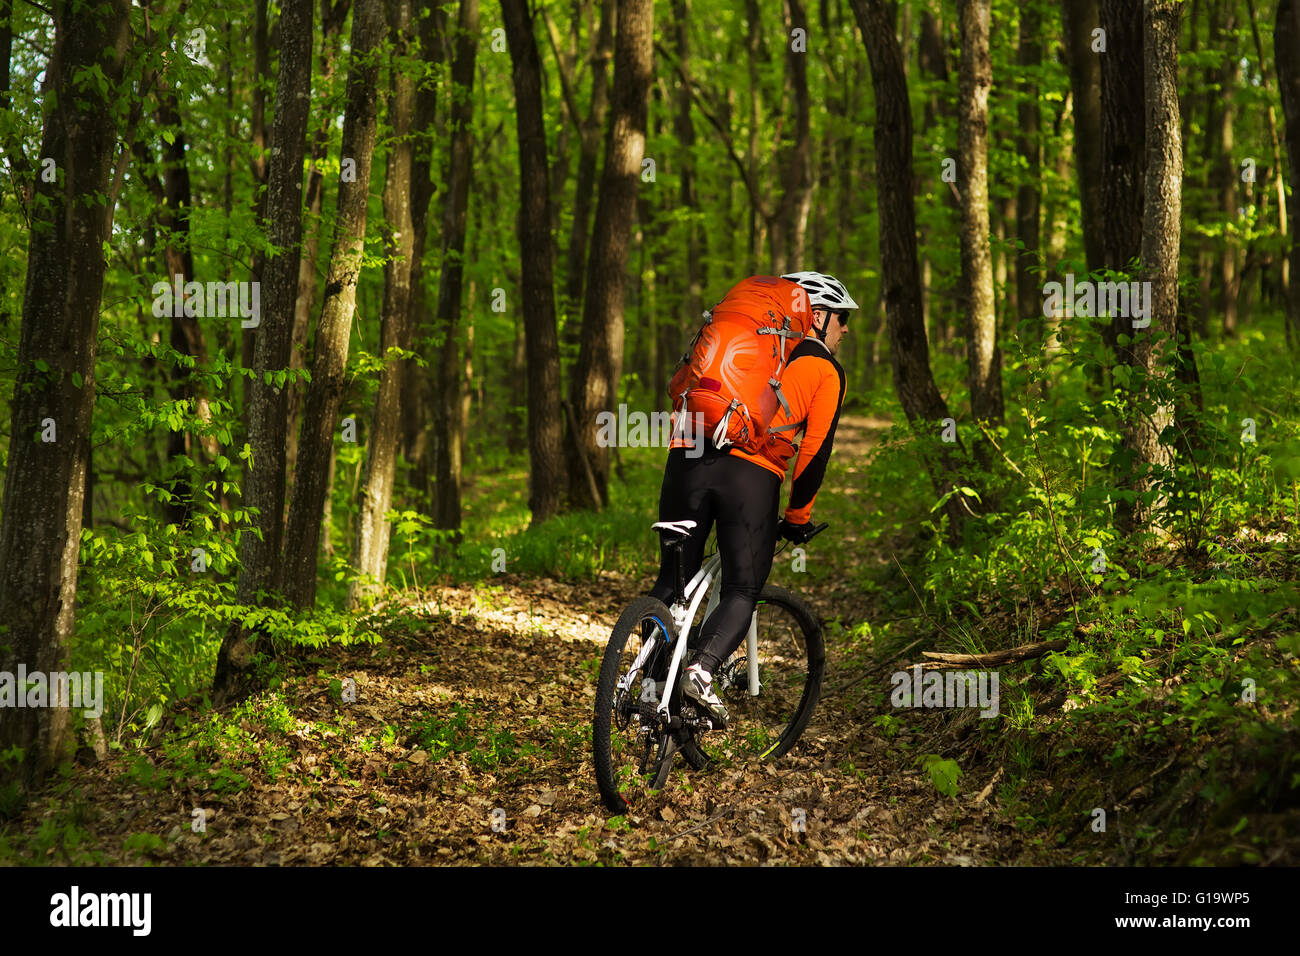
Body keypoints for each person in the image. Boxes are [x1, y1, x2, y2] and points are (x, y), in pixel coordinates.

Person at [648, 271, 856, 726]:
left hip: (688, 457)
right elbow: (814, 456)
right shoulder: (822, 368)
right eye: (842, 319)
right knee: (743, 586)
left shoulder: (756, 346)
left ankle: (647, 684)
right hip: (750, 475)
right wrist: (798, 518)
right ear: (817, 316)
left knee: (672, 579)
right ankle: (700, 672)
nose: (846, 330)